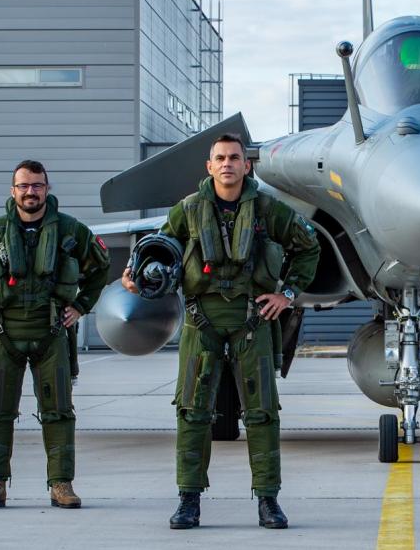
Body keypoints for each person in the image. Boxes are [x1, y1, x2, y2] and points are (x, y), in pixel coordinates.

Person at [122, 133, 319, 530]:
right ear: (209, 166)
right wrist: (136, 278)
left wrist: (288, 294)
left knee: (262, 413)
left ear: (247, 166)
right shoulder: (188, 211)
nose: (227, 164)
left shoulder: (268, 209)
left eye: (234, 158)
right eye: (220, 158)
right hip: (201, 320)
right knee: (193, 413)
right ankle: (188, 501)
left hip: (253, 319)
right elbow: (159, 248)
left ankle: (268, 501)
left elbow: (308, 245)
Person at [0, 160, 110, 509]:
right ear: (13, 191)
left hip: (51, 332)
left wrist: (82, 305)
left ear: (47, 188)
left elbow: (101, 267)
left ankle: (61, 484)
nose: (31, 192)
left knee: (59, 411)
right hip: (5, 333)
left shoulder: (72, 232)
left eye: (37, 185)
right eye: (24, 186)